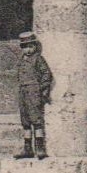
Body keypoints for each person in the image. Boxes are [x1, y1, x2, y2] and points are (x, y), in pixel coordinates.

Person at [15, 31, 54, 160]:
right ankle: (27, 149)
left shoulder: (38, 59)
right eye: (25, 47)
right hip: (23, 91)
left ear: (35, 47)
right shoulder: (21, 60)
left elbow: (46, 74)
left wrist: (42, 88)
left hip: (34, 91)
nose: (28, 50)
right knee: (25, 121)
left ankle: (40, 148)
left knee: (36, 120)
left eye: (30, 46)